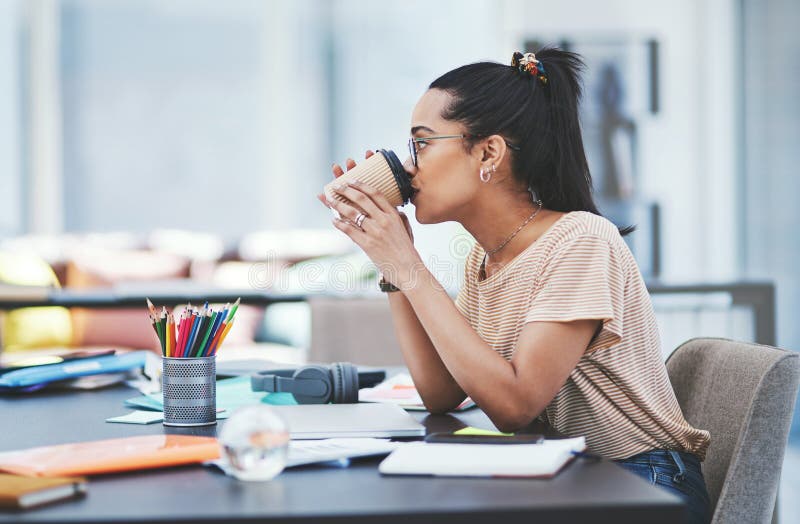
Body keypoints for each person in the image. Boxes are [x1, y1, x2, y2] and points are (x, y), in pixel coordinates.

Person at [320, 49, 711, 523]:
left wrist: (409, 266)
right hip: (567, 474)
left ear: (489, 152)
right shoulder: (484, 258)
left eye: (421, 144)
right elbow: (441, 394)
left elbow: (514, 403)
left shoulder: (581, 241)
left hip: (639, 484)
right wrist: (395, 261)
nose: (408, 166)